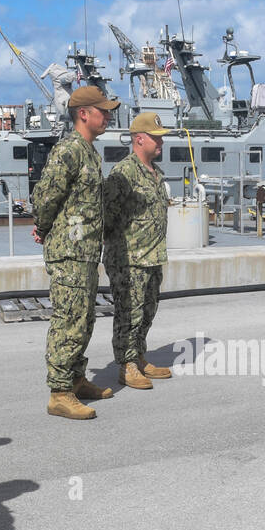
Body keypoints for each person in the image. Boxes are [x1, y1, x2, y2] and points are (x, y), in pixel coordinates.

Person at [33, 85, 120, 419]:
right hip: (68, 253)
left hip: (83, 252)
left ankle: (76, 379)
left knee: (83, 318)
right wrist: (43, 228)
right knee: (69, 320)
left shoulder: (88, 151)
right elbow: (45, 197)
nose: (108, 115)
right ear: (84, 114)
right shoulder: (68, 150)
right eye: (104, 110)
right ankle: (59, 392)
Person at [103, 111, 173, 389]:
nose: (161, 144)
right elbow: (107, 216)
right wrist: (118, 253)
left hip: (153, 256)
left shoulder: (157, 174)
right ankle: (126, 365)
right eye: (156, 139)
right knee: (128, 313)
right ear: (139, 139)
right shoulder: (124, 173)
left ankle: (138, 356)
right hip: (129, 260)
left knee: (147, 311)